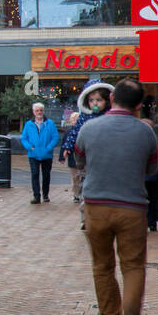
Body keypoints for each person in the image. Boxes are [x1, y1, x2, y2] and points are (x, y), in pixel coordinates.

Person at [75, 78, 158, 315]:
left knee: (102, 266)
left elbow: (79, 160)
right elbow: (152, 170)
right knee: (133, 266)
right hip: (132, 208)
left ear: (112, 99)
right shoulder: (145, 133)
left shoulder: (90, 128)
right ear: (137, 105)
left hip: (96, 207)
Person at [61, 80, 113, 229]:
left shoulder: (109, 116)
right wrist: (67, 146)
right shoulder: (84, 117)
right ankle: (85, 218)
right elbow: (75, 132)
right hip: (89, 158)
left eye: (98, 100)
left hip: (105, 158)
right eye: (91, 100)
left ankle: (104, 217)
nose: (94, 103)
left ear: (106, 101)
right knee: (86, 188)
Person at [20, 102, 59, 203]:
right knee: (35, 174)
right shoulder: (29, 124)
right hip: (33, 154)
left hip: (47, 154)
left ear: (43, 111)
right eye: (37, 110)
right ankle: (36, 196)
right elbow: (24, 138)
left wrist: (49, 148)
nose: (39, 112)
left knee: (46, 175)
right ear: (33, 112)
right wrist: (30, 147)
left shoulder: (50, 123)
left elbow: (55, 137)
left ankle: (45, 195)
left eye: (41, 110)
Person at [142, 119, 158, 232]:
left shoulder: (136, 141)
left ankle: (146, 221)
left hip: (141, 176)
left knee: (143, 199)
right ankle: (152, 221)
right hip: (154, 176)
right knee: (153, 199)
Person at [58, 111, 82, 200]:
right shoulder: (68, 131)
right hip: (72, 157)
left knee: (82, 177)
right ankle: (76, 195)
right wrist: (62, 157)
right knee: (75, 177)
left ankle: (82, 194)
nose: (74, 121)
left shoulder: (83, 130)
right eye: (73, 119)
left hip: (82, 158)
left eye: (76, 119)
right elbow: (64, 144)